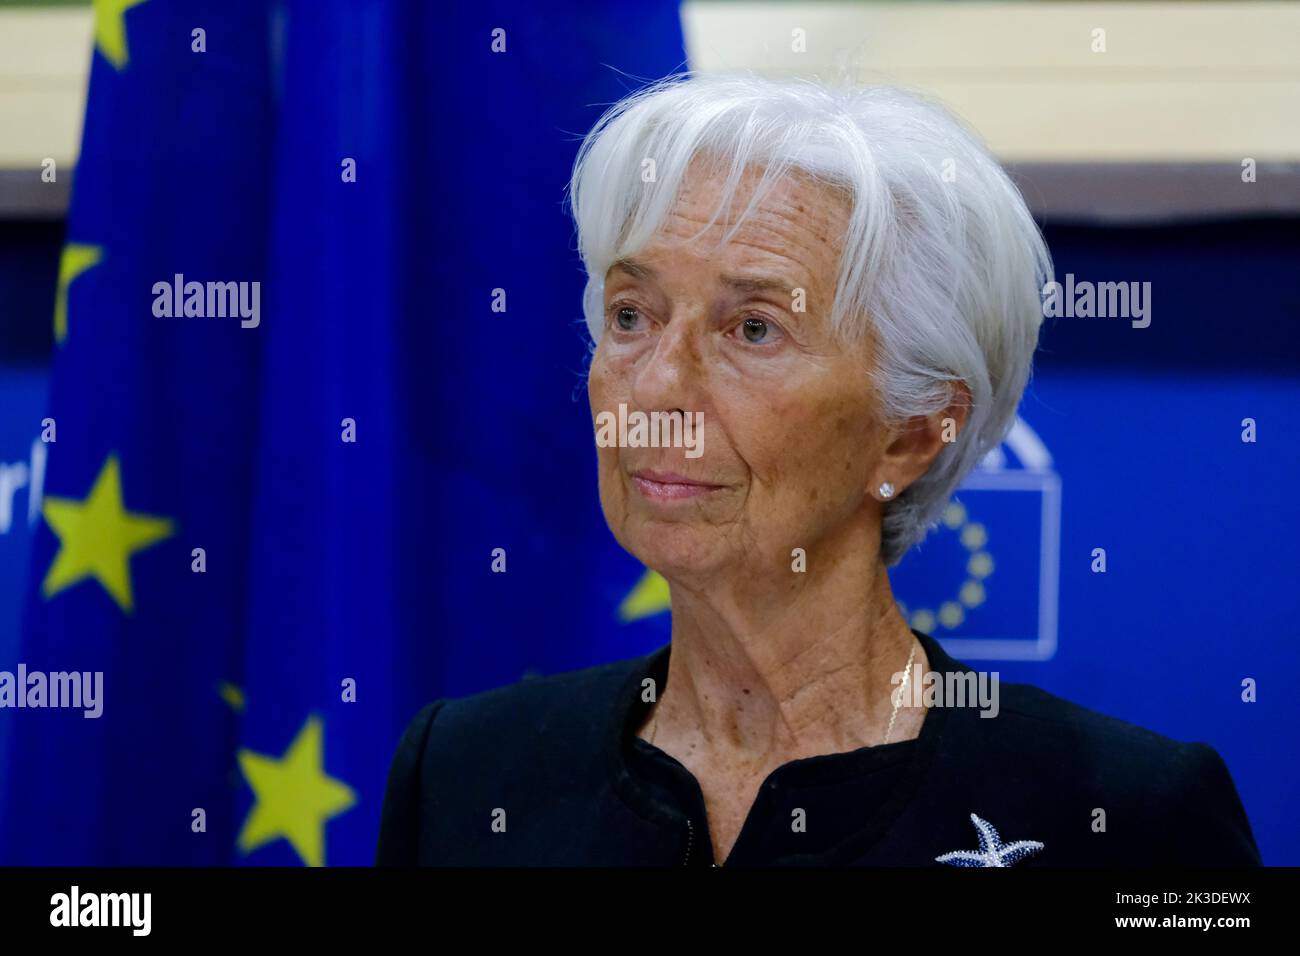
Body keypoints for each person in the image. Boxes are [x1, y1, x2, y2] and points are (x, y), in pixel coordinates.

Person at [376, 72, 1260, 866]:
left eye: (754, 329)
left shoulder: (1126, 820)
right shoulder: (463, 776)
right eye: (632, 315)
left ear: (910, 435)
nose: (656, 387)